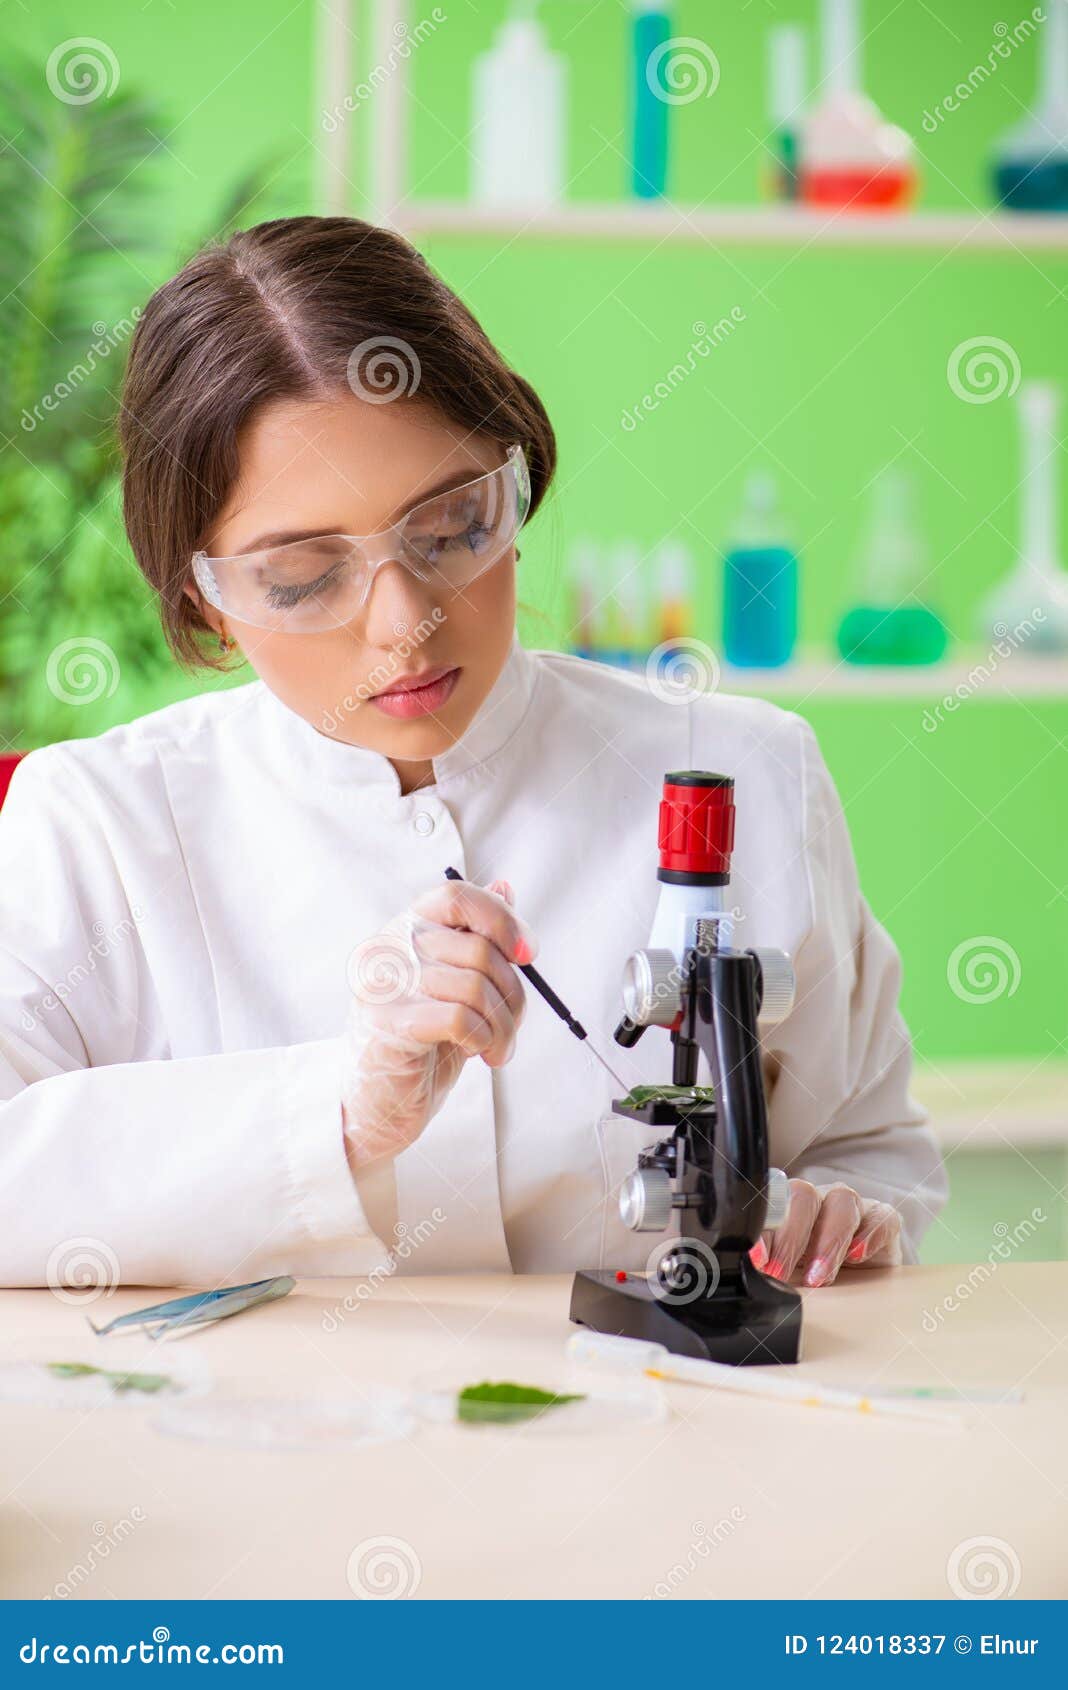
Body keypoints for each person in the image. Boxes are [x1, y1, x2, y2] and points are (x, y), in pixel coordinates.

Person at [0, 216, 946, 1292]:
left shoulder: (748, 773)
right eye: (304, 578)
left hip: (656, 1451)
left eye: (451, 528)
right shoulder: (97, 824)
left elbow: (873, 1152)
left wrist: (845, 1222)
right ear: (206, 606)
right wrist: (341, 1115)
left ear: (516, 481)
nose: (403, 621)